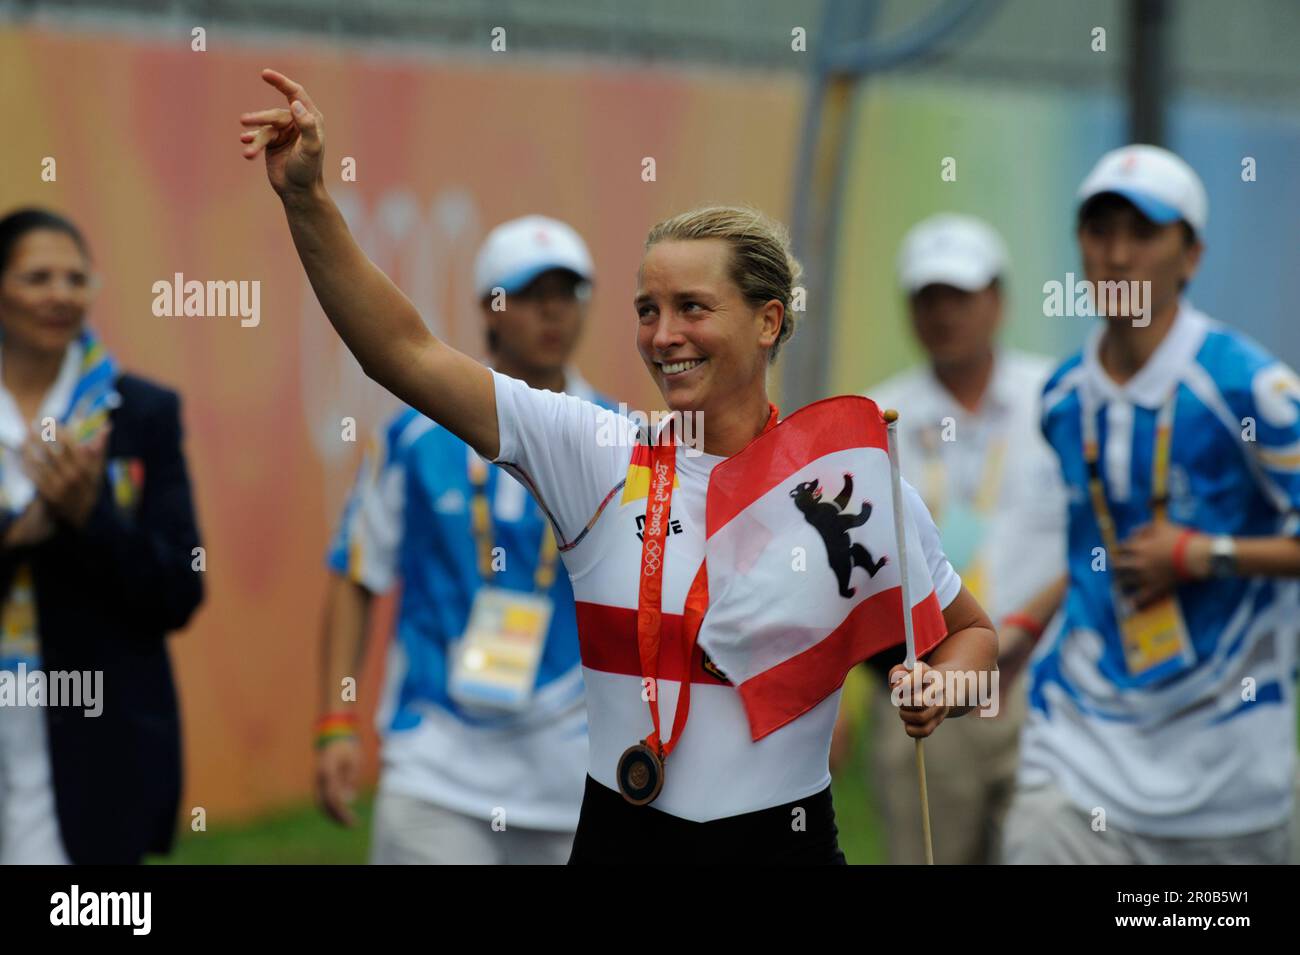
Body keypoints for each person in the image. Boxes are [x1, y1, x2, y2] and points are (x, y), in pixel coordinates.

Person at [240, 69, 996, 864]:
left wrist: (943, 687)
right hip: (620, 838)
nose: (663, 334)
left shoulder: (849, 485)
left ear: (769, 320)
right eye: (646, 310)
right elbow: (402, 352)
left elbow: (970, 636)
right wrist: (308, 201)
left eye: (692, 308)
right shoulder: (595, 448)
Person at [1002, 144, 1300, 864]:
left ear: (1190, 256)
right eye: (1099, 232)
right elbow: (1090, 553)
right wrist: (1008, 638)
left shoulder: (1251, 390)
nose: (1117, 255)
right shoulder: (1063, 397)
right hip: (1078, 752)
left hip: (1228, 772)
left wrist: (1206, 554)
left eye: (1143, 234)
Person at [316, 215, 615, 864]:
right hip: (436, 771)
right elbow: (357, 571)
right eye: (532, 295)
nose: (553, 312)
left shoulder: (619, 438)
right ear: (489, 306)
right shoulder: (415, 438)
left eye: (567, 294)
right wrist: (337, 721)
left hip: (581, 779)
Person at [830, 213, 1067, 864]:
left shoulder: (1060, 400)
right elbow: (849, 569)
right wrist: (841, 698)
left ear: (998, 299)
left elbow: (1095, 536)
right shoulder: (873, 420)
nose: (943, 312)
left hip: (1044, 689)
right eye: (927, 296)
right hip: (923, 690)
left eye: (959, 294)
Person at [0, 208, 204, 864]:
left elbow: (179, 589)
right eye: (37, 276)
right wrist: (17, 539)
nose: (60, 294)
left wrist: (92, 519)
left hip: (96, 735)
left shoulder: (140, 413)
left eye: (75, 277)